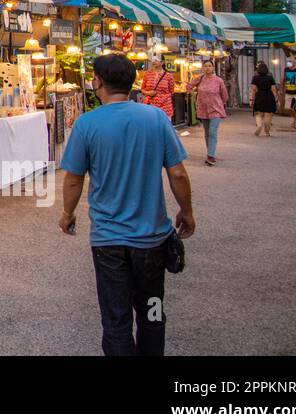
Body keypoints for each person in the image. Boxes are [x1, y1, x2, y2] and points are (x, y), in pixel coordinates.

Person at [59, 53, 195, 356]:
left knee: (116, 320)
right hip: (152, 240)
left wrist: (68, 214)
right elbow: (178, 174)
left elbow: (73, 179)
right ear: (133, 82)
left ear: (98, 82)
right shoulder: (155, 118)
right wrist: (187, 213)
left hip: (108, 241)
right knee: (153, 313)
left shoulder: (87, 124)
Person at [189, 61, 229, 165]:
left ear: (213, 68)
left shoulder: (218, 80)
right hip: (203, 109)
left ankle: (211, 156)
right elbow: (189, 85)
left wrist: (219, 102)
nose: (207, 68)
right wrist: (191, 92)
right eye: (205, 66)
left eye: (209, 66)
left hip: (216, 109)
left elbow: (225, 96)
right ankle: (210, 152)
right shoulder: (200, 78)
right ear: (203, 68)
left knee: (212, 132)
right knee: (207, 133)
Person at [249, 61, 278, 138]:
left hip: (259, 96)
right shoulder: (270, 78)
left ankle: (259, 126)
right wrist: (275, 98)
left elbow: (253, 89)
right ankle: (267, 131)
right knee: (268, 114)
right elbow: (273, 89)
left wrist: (252, 99)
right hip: (269, 97)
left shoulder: (255, 78)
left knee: (258, 113)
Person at [281, 57, 296, 130]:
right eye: (288, 61)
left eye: (291, 61)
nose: (289, 62)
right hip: (288, 91)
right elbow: (283, 79)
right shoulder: (286, 69)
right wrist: (282, 88)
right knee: (287, 108)